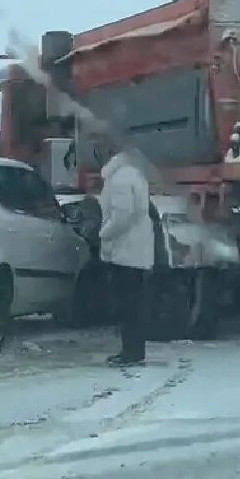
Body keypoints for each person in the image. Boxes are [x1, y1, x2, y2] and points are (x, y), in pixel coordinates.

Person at [97, 141, 154, 366]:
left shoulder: (120, 178)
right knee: (135, 305)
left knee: (127, 305)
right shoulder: (135, 175)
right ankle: (135, 350)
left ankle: (130, 352)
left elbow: (122, 214)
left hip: (125, 250)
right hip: (137, 251)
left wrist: (104, 234)